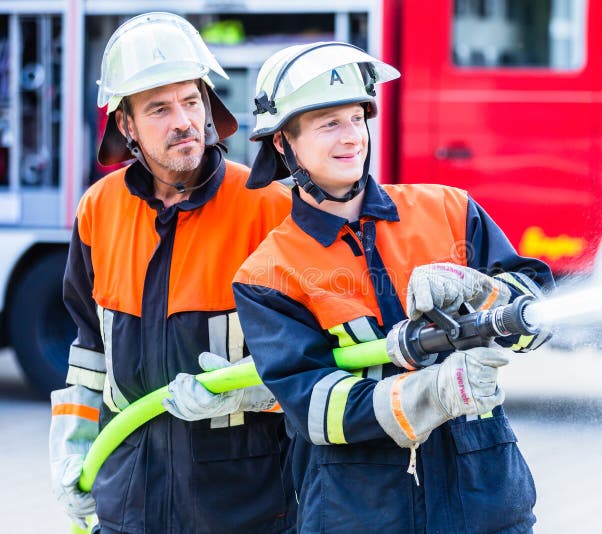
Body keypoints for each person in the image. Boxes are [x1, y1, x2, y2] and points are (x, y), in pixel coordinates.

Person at [232, 41, 555, 533]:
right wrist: (434, 393)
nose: (351, 137)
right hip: (359, 516)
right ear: (283, 143)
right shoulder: (268, 274)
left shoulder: (448, 211)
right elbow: (317, 407)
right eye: (328, 124)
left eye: (356, 118)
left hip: (484, 504)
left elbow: (538, 318)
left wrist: (482, 292)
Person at [48, 12, 295, 533]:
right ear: (126, 125)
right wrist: (73, 450)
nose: (183, 121)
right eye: (159, 108)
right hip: (127, 504)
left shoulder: (267, 209)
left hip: (243, 510)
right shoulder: (98, 210)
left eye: (191, 101)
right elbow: (89, 352)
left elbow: (314, 360)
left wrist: (248, 393)